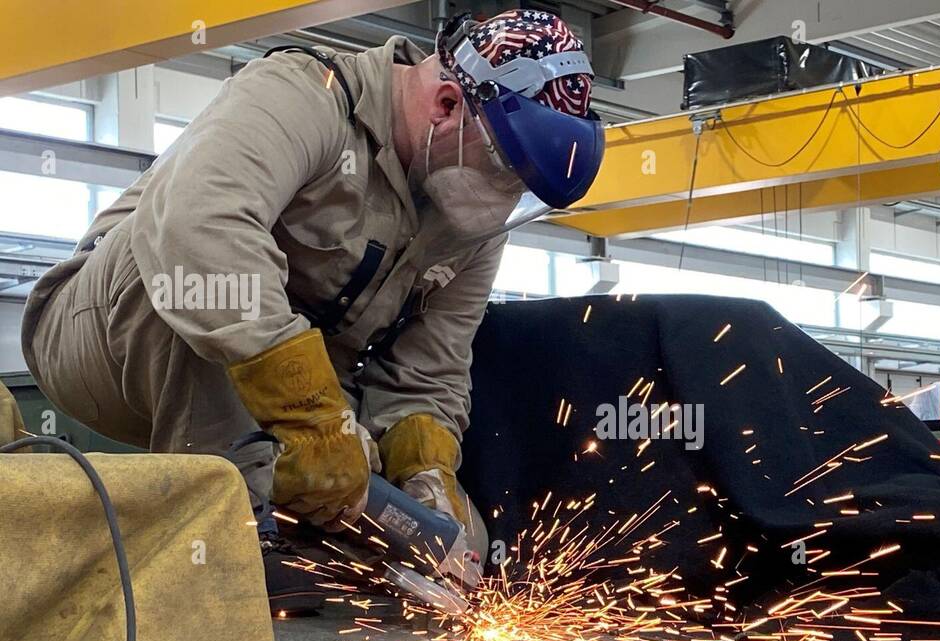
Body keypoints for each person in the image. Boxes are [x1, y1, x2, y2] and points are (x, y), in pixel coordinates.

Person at [20, 10, 604, 608]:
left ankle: (298, 539)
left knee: (366, 479)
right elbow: (201, 226)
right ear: (448, 104)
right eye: (506, 168)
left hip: (255, 387)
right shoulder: (305, 94)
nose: (505, 196)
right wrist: (311, 417)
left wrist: (425, 478)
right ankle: (229, 536)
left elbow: (429, 370)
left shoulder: (470, 230)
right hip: (98, 329)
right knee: (201, 275)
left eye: (524, 188)